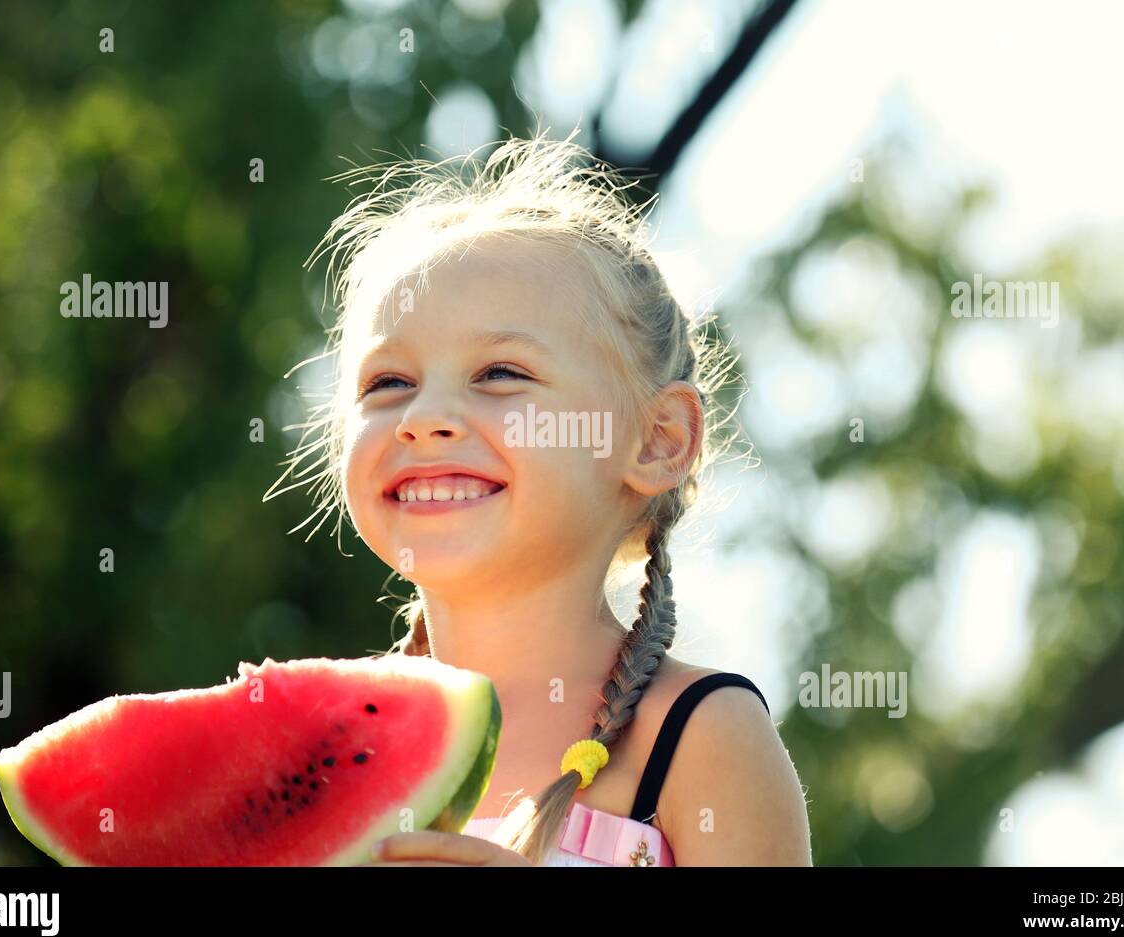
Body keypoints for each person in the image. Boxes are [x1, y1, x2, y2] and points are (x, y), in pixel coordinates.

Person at [267, 128, 811, 867]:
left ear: (656, 440)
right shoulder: (309, 754)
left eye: (499, 375)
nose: (424, 418)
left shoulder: (700, 736)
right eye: (387, 383)